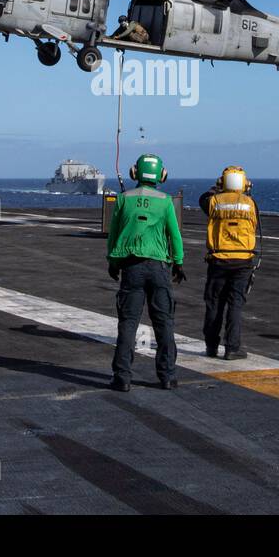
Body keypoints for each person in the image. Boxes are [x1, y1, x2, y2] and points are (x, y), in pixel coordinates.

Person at [106, 153, 185, 391]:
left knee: (128, 323)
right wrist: (178, 263)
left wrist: (112, 262)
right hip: (159, 268)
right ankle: (168, 377)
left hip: (131, 267)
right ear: (162, 174)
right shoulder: (165, 201)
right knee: (164, 324)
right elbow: (175, 235)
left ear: (135, 173)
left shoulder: (123, 198)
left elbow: (113, 235)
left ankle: (122, 377)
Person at [199, 165, 259, 360]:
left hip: (219, 260)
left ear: (222, 182)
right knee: (235, 305)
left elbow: (202, 200)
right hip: (243, 260)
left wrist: (215, 189)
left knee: (214, 304)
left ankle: (211, 346)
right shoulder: (250, 204)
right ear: (245, 183)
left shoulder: (214, 201)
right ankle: (232, 348)